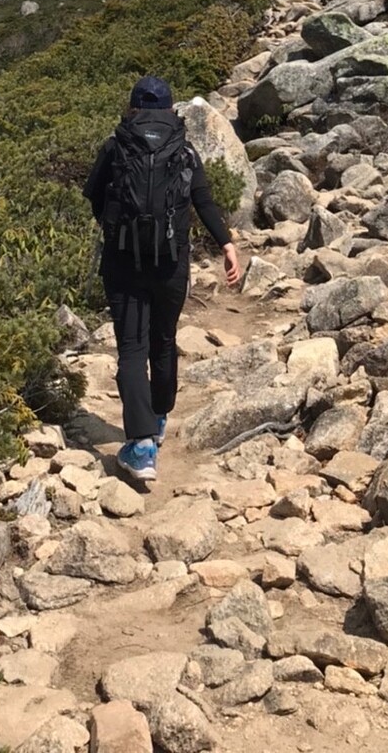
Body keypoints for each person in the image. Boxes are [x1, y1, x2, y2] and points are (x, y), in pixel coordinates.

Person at [83, 75, 242, 484]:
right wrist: (226, 244)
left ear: (132, 108)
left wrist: (116, 227)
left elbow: (93, 194)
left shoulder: (116, 145)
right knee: (164, 340)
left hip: (123, 262)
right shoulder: (184, 150)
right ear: (172, 110)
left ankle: (139, 447)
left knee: (132, 349)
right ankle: (158, 416)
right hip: (171, 263)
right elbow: (202, 199)